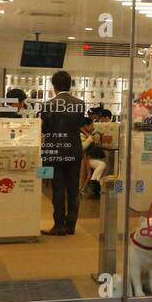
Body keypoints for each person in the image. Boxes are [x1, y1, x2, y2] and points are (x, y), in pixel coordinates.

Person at [39, 70, 90, 236]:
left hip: (55, 152)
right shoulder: (80, 104)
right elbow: (78, 125)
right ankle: (71, 226)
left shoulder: (48, 105)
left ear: (54, 86)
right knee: (73, 189)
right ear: (70, 85)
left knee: (58, 189)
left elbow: (45, 130)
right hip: (74, 150)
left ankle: (59, 225)